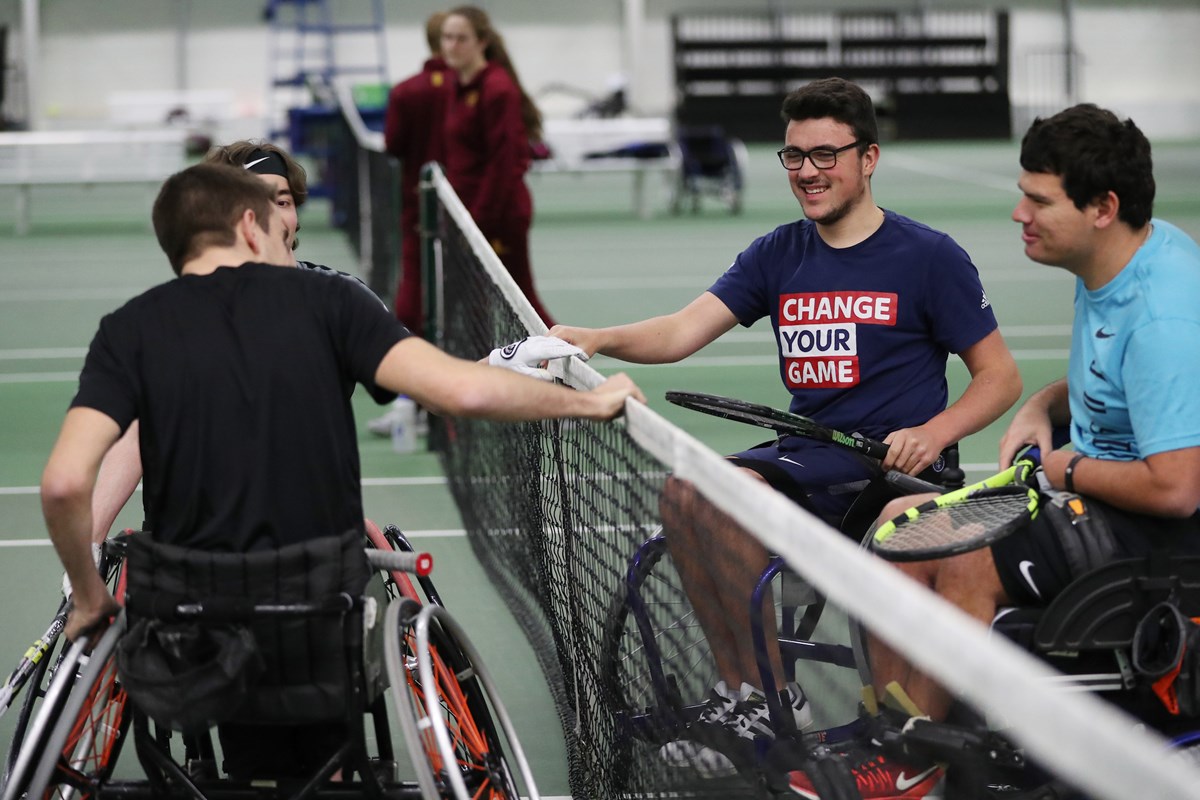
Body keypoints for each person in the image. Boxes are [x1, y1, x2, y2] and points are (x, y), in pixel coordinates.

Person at [41, 163, 644, 779]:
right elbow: (458, 393)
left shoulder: (129, 330)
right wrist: (588, 402)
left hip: (187, 625)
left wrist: (90, 597)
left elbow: (64, 484)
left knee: (246, 743)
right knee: (314, 746)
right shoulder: (332, 301)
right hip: (319, 606)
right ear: (251, 225)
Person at [549, 77, 1021, 779]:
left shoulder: (928, 257)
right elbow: (683, 330)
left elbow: (1001, 377)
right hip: (809, 459)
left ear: (869, 158)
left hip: (892, 473)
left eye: (826, 154)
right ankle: (756, 693)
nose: (808, 171)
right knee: (686, 492)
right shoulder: (779, 254)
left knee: (725, 489)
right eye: (795, 155)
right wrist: (596, 336)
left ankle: (768, 703)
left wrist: (935, 429)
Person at [817, 103, 1200, 799]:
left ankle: (943, 760)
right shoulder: (1122, 260)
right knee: (894, 534)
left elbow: (1176, 487)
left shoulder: (1164, 316)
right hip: (1096, 499)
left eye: (1037, 199)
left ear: (1103, 208)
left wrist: (1065, 466)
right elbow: (1117, 382)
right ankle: (904, 739)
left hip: (1156, 533)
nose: (1019, 214)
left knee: (959, 554)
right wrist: (1040, 406)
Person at [83, 140, 387, 548]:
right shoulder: (172, 320)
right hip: (191, 546)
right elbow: (138, 433)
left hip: (310, 544)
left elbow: (434, 383)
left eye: (282, 201)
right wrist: (91, 539)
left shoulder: (343, 299)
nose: (271, 217)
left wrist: (496, 362)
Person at [440, 5, 555, 327]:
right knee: (475, 305)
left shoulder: (496, 89)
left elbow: (504, 164)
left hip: (498, 217)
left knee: (522, 304)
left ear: (482, 42)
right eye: (447, 38)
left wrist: (478, 223)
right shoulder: (457, 85)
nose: (451, 46)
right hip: (467, 215)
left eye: (460, 38)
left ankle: (566, 366)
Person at [384, 10, 450, 337]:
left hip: (417, 198)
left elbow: (393, 144)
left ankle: (406, 345)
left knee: (414, 274)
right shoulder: (467, 90)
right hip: (464, 202)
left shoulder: (405, 91)